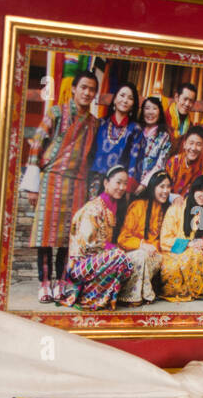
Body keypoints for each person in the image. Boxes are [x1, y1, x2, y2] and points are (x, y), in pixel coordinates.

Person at [22, 69, 99, 305]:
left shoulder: (94, 123)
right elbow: (36, 146)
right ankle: (45, 283)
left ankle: (63, 281)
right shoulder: (56, 113)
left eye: (92, 89)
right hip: (52, 179)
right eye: (83, 87)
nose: (87, 93)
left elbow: (92, 157)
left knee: (69, 237)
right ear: (74, 89)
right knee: (46, 235)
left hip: (78, 183)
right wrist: (33, 186)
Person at [64, 165, 133, 309]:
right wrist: (114, 250)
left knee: (127, 261)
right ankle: (87, 295)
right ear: (106, 183)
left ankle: (99, 296)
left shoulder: (114, 207)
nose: (121, 187)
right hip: (81, 265)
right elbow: (88, 243)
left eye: (125, 184)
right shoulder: (93, 208)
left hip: (99, 260)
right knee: (120, 257)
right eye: (118, 182)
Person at [117, 170, 171, 304]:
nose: (166, 191)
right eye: (162, 186)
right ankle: (131, 296)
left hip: (155, 253)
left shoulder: (167, 209)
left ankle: (143, 295)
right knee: (142, 256)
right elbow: (123, 238)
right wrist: (142, 244)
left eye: (168, 187)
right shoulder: (138, 206)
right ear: (153, 187)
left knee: (150, 257)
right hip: (134, 251)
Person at [159, 174, 203, 301]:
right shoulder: (175, 209)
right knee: (174, 267)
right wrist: (188, 244)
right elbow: (164, 240)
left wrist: (202, 244)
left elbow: (200, 238)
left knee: (198, 253)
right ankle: (190, 291)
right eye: (200, 190)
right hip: (171, 251)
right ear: (193, 190)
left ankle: (197, 292)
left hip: (190, 251)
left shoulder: (201, 213)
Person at [87, 82, 143, 196]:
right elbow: (91, 151)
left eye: (130, 98)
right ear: (115, 99)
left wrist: (128, 187)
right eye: (122, 95)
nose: (125, 100)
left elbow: (135, 160)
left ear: (133, 104)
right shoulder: (101, 123)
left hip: (119, 185)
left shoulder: (135, 129)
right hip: (95, 180)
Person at [133, 96, 172, 196]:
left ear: (160, 112)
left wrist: (143, 184)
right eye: (147, 108)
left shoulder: (164, 136)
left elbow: (160, 164)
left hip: (149, 185)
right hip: (130, 181)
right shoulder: (135, 130)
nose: (150, 112)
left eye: (154, 108)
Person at [165, 124, 203, 196]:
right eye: (191, 143)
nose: (194, 148)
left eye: (198, 144)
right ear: (184, 144)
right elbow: (164, 188)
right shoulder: (173, 162)